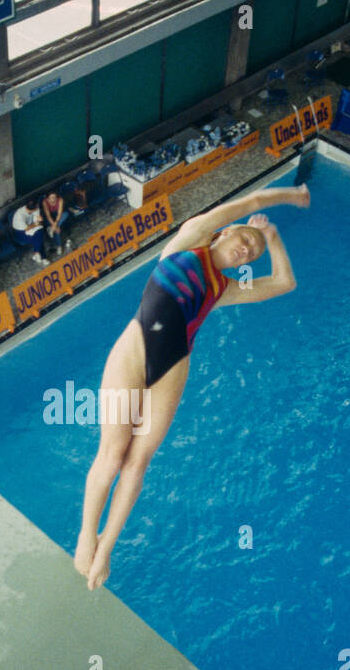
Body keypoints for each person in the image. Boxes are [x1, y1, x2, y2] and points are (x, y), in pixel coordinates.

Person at [74, 184, 310, 591]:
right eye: (245, 239)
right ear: (225, 231)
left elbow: (284, 282)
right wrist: (290, 195)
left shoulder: (225, 290)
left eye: (252, 253)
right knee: (112, 454)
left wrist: (271, 237)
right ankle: (86, 536)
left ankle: (107, 547)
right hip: (132, 352)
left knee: (137, 462)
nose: (247, 251)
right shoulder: (192, 239)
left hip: (173, 368)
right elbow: (249, 202)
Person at [12, 198, 46, 264]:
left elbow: (37, 220)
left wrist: (39, 221)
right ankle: (43, 257)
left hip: (31, 228)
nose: (38, 207)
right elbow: (26, 228)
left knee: (39, 233)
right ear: (33, 209)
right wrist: (36, 224)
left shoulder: (36, 208)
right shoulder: (19, 215)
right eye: (37, 206)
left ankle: (37, 254)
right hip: (20, 233)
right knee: (38, 237)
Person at [40, 190, 72, 258]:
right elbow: (48, 216)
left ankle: (51, 229)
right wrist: (55, 226)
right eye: (51, 198)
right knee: (56, 229)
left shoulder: (60, 200)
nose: (53, 199)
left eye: (54, 197)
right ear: (47, 199)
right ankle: (59, 246)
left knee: (66, 214)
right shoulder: (44, 202)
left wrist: (55, 225)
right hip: (50, 217)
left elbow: (59, 213)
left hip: (58, 216)